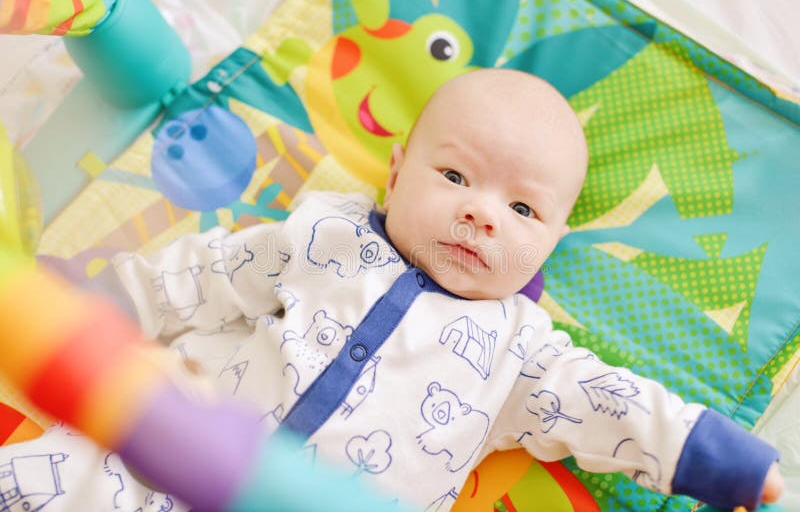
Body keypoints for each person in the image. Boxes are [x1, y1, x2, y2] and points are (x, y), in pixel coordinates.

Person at [1, 69, 784, 511]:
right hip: (156, 469)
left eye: (522, 208)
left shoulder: (524, 356)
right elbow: (198, 277)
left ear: (551, 240)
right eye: (455, 176)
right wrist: (73, 316)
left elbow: (616, 408)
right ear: (398, 170)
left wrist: (732, 465)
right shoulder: (320, 239)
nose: (481, 211)